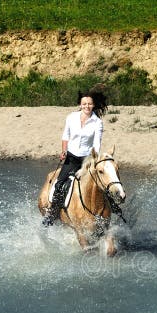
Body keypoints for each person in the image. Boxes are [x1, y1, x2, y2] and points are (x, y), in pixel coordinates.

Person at [42, 89, 109, 226]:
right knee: (59, 184)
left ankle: (110, 210)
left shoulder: (97, 122)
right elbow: (66, 136)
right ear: (80, 104)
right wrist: (64, 151)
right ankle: (53, 212)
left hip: (87, 159)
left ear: (94, 105)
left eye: (89, 104)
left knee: (102, 184)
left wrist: (94, 159)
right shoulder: (71, 117)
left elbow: (97, 143)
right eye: (84, 104)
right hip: (71, 157)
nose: (87, 106)